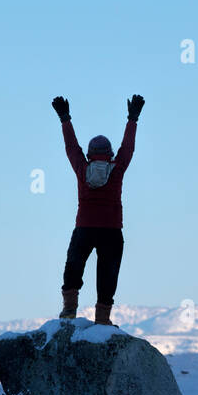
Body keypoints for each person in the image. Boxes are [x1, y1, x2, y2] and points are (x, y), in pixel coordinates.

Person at [50, 93, 144, 325]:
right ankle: (102, 320)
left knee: (74, 266)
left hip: (84, 228)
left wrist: (65, 119)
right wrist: (133, 119)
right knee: (107, 275)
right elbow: (128, 147)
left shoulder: (83, 169)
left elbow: (71, 147)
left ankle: (69, 310)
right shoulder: (117, 168)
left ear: (90, 155)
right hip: (112, 231)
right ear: (110, 154)